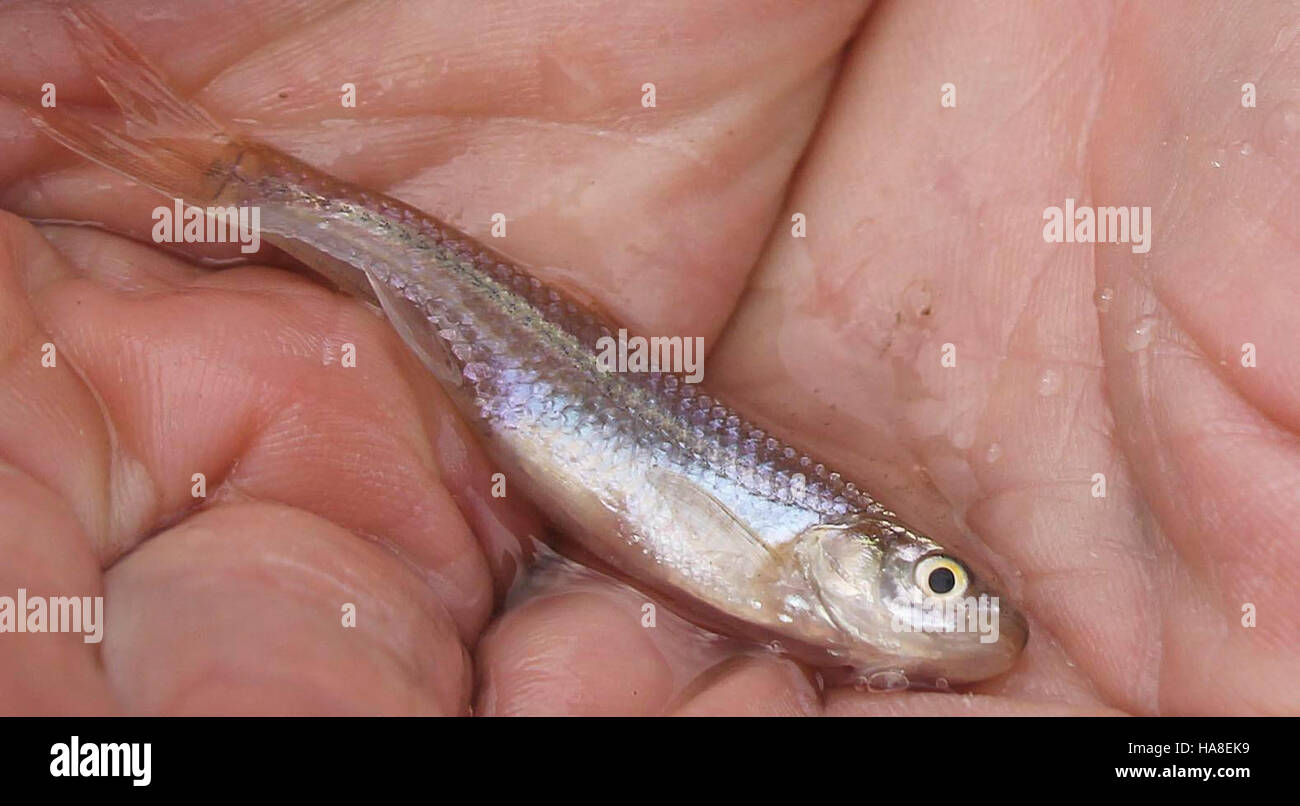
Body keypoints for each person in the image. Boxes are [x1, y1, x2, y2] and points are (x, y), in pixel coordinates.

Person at [0, 0, 1294, 715]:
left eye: (945, 585)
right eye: (937, 580)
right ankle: (265, 194)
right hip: (500, 338)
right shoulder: (802, 562)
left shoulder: (806, 575)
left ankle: (270, 198)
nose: (954, 605)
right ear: (868, 550)